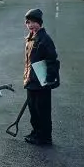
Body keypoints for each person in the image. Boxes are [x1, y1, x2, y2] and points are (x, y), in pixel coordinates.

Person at [23, 8, 60, 145]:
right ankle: (36, 132)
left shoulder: (45, 39)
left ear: (40, 23)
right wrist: (27, 79)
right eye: (28, 22)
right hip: (31, 81)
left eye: (33, 22)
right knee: (33, 110)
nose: (31, 25)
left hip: (42, 81)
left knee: (42, 111)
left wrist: (50, 77)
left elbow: (52, 59)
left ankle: (45, 137)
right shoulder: (30, 38)